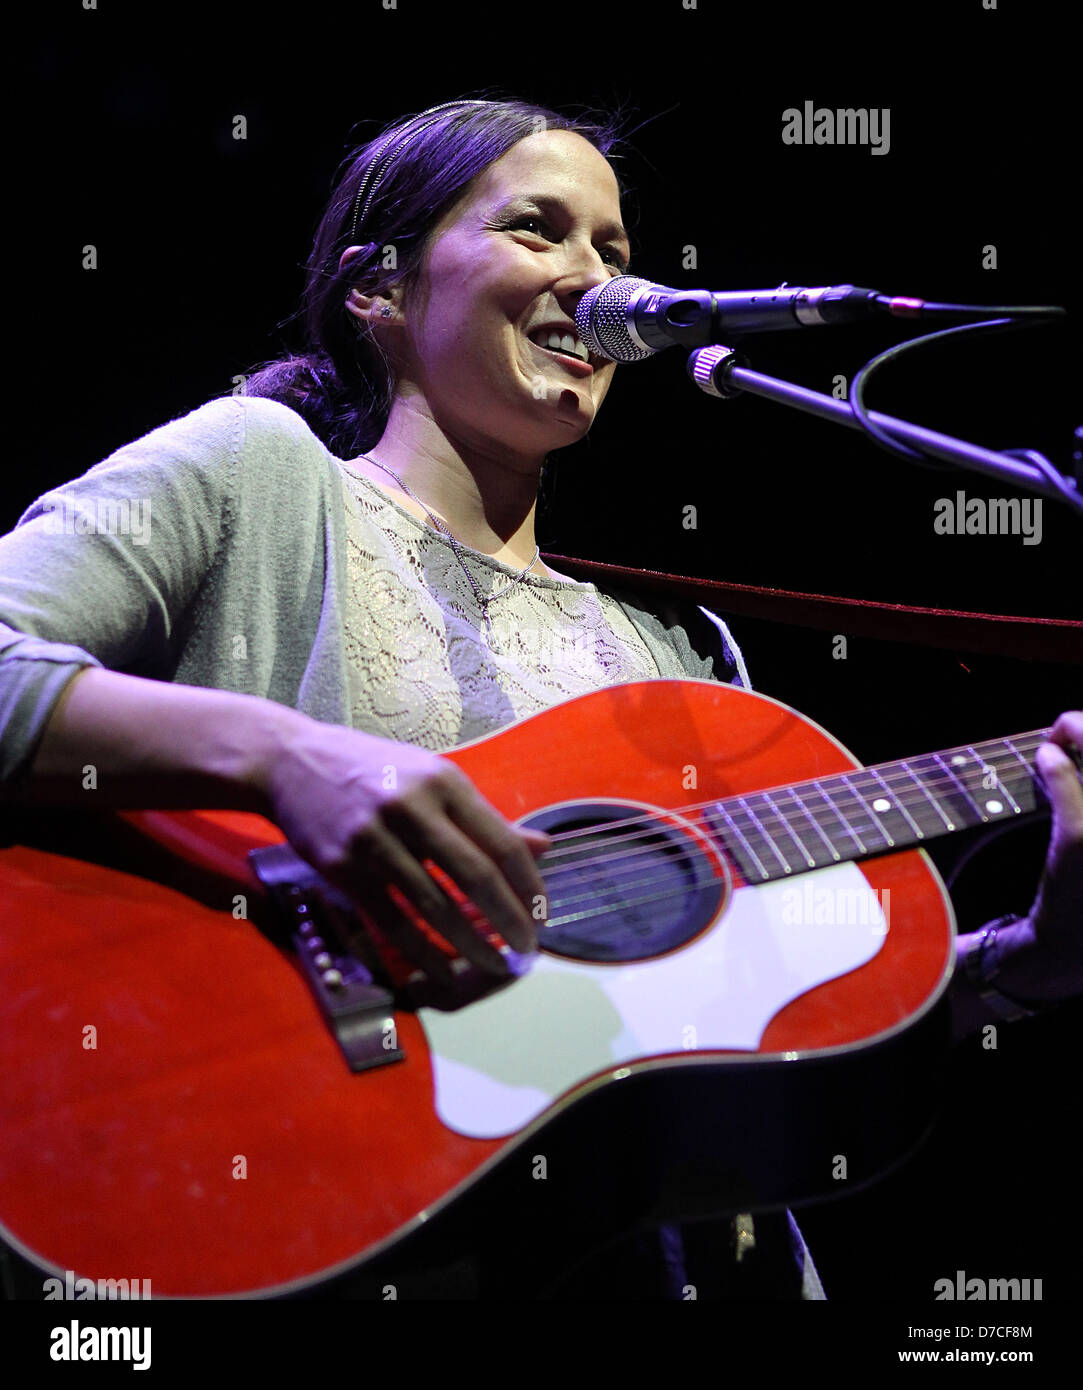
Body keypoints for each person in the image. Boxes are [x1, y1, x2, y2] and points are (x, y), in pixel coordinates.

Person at [0, 97, 1080, 1299]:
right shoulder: (258, 471)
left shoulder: (677, 652)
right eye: (538, 229)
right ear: (380, 289)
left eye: (616, 253)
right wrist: (285, 756)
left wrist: (1023, 965)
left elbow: (742, 1036)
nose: (599, 278)